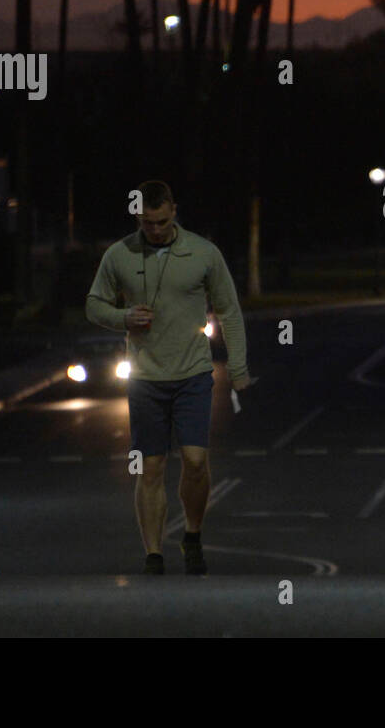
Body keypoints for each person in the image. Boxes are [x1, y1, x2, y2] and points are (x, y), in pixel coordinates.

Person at [86, 180, 252, 574]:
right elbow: (94, 304)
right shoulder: (119, 254)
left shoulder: (204, 253)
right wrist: (122, 318)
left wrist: (240, 366)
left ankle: (192, 534)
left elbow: (228, 310)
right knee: (151, 467)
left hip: (193, 374)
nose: (155, 230)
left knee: (195, 461)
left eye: (160, 221)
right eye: (146, 223)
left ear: (174, 211)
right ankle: (154, 554)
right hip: (145, 378)